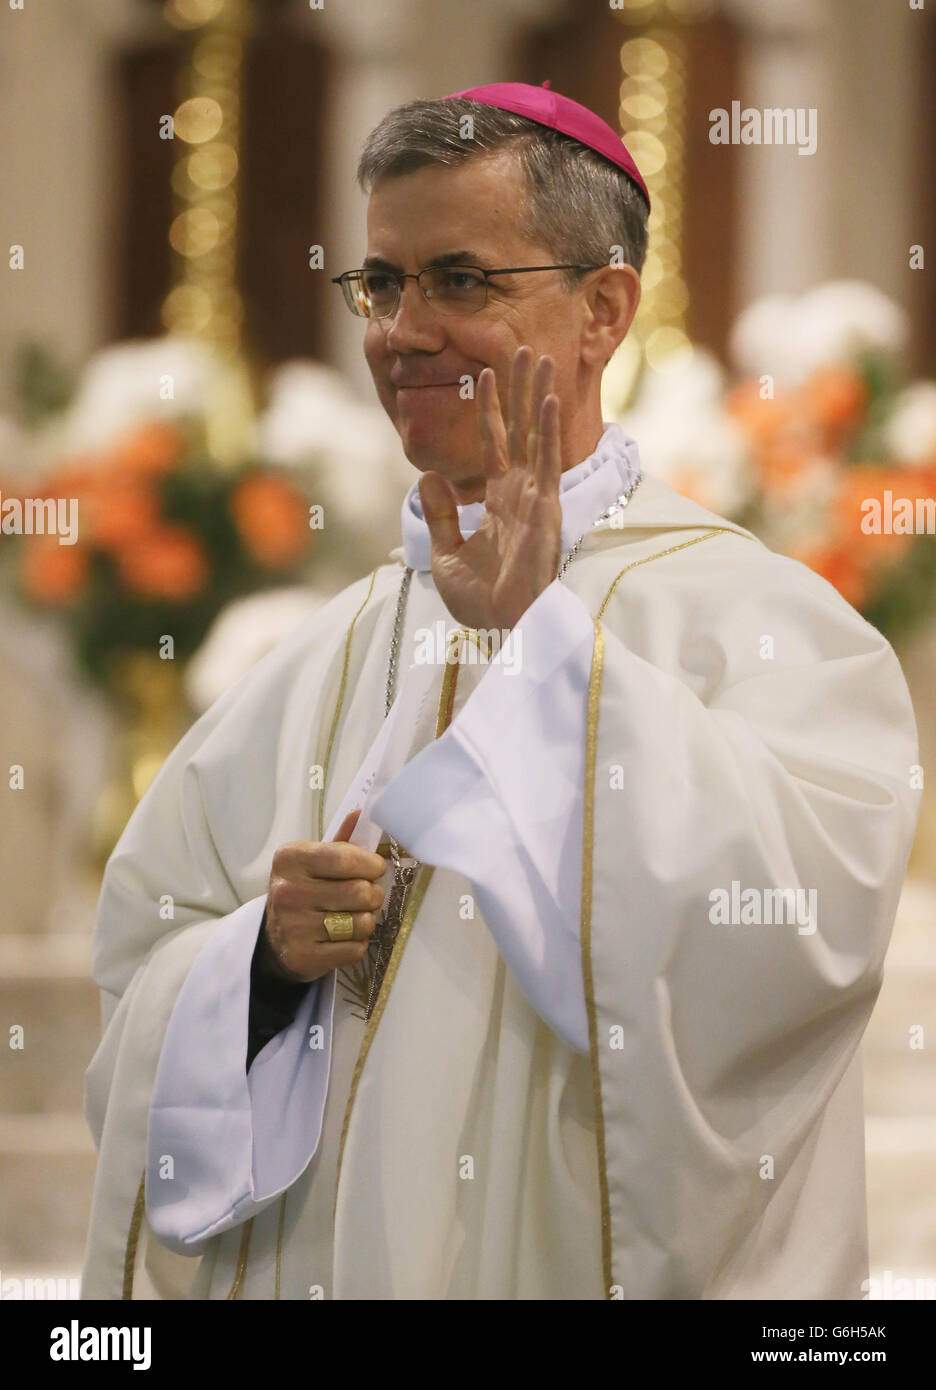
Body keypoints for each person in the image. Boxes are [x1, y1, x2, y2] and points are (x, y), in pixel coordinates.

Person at [81, 83, 919, 1301]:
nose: (404, 329)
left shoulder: (766, 628)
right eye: (382, 282)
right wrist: (260, 961)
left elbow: (794, 946)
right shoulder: (318, 657)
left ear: (605, 308)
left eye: (460, 280)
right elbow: (141, 964)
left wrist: (544, 652)